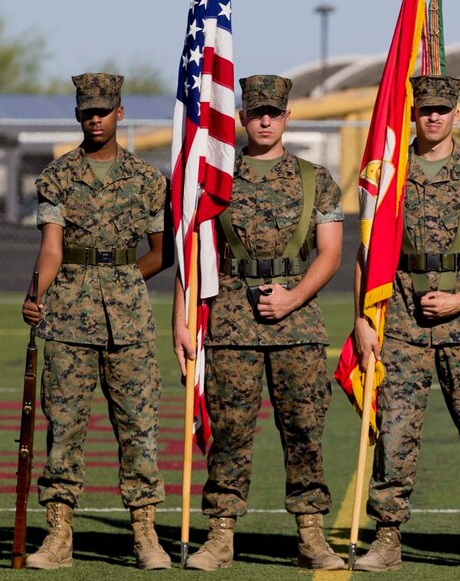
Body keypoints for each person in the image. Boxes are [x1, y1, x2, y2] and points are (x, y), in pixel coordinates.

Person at [352, 74, 460, 573]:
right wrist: (364, 319)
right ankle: (387, 537)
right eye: (425, 108)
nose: (433, 116)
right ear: (413, 113)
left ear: (457, 113)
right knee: (396, 434)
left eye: (442, 109)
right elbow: (365, 253)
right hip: (401, 318)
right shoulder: (388, 172)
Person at [173, 74, 346, 572]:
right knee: (229, 432)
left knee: (304, 430)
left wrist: (293, 298)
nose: (265, 120)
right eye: (256, 112)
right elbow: (193, 253)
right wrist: (181, 320)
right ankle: (220, 536)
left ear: (287, 117)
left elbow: (331, 254)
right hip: (231, 321)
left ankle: (312, 534)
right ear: (242, 117)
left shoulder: (317, 179)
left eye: (274, 112)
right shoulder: (215, 179)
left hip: (299, 323)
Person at [21, 72, 172, 571]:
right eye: (88, 111)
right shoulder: (58, 177)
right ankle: (59, 535)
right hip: (67, 318)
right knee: (63, 429)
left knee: (139, 428)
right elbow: (52, 247)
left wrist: (124, 279)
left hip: (128, 321)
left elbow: (160, 253)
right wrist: (35, 293)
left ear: (120, 114)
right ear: (78, 116)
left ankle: (145, 533)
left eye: (104, 110)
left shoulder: (149, 180)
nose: (96, 119)